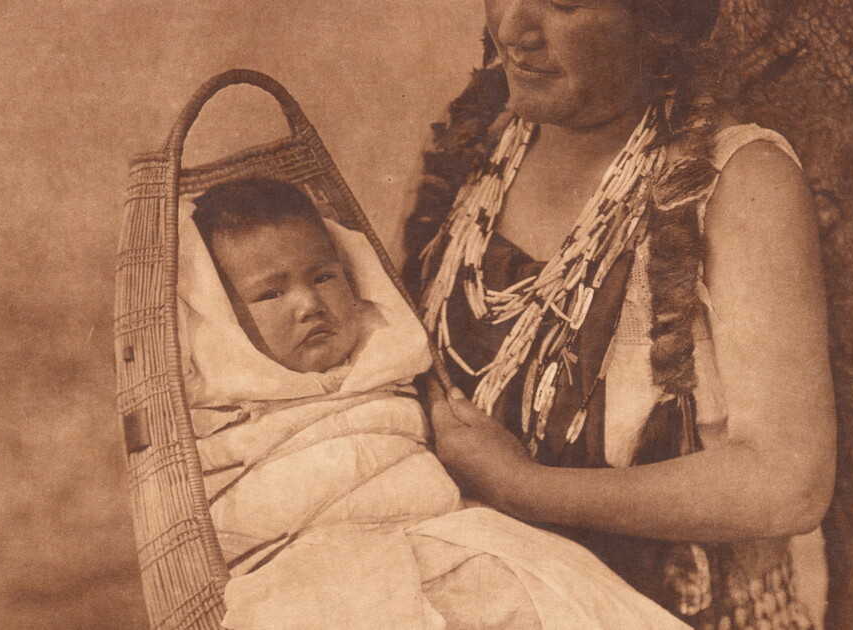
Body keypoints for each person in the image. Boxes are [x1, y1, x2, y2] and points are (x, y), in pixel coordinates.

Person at [404, 1, 836, 629]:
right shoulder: (484, 138)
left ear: (657, 20)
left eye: (563, 3)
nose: (515, 33)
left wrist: (523, 489)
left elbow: (788, 482)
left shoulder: (740, 180)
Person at [176, 177, 691, 630]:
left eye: (324, 277)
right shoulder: (222, 403)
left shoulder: (386, 357)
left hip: (444, 536)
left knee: (555, 589)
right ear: (224, 318)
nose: (308, 304)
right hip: (316, 570)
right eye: (270, 295)